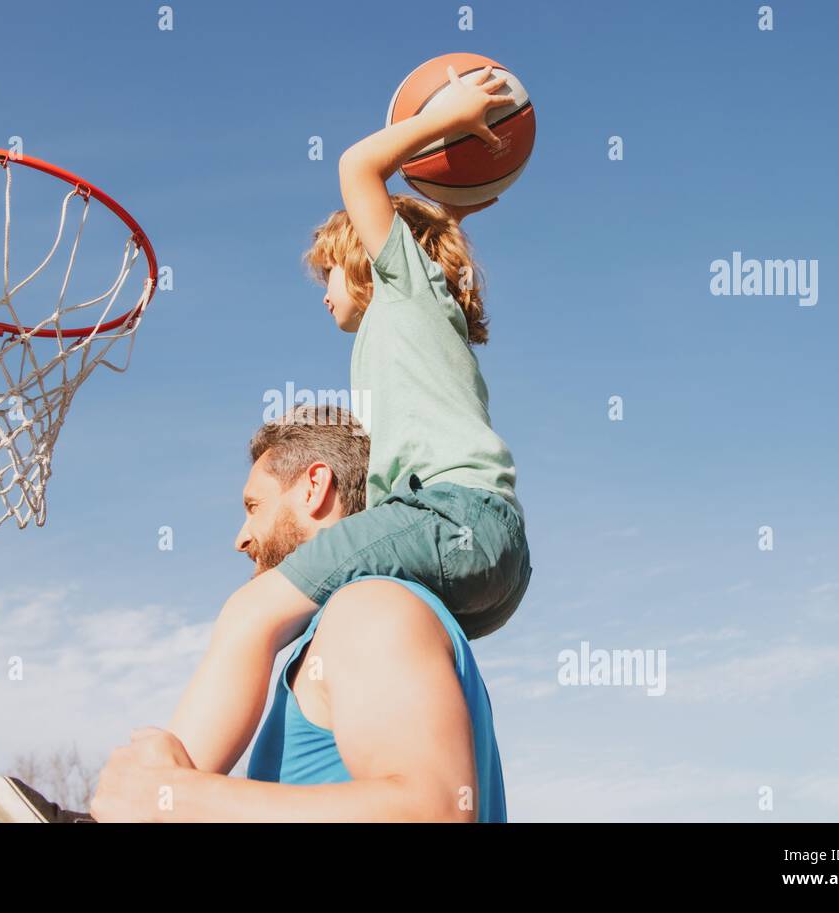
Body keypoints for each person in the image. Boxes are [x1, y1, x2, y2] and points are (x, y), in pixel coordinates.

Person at [163, 62, 532, 779]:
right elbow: (435, 232)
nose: (323, 292)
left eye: (327, 271)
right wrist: (461, 196)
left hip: (453, 516)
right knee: (335, 631)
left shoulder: (403, 291)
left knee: (250, 615)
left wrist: (444, 118)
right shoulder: (426, 314)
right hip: (490, 565)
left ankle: (153, 799)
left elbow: (358, 165)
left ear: (368, 257)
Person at [0, 406, 508, 822]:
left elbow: (433, 811)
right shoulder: (347, 633)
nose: (240, 537)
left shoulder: (372, 607)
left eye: (254, 506)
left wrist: (176, 798)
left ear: (314, 486)